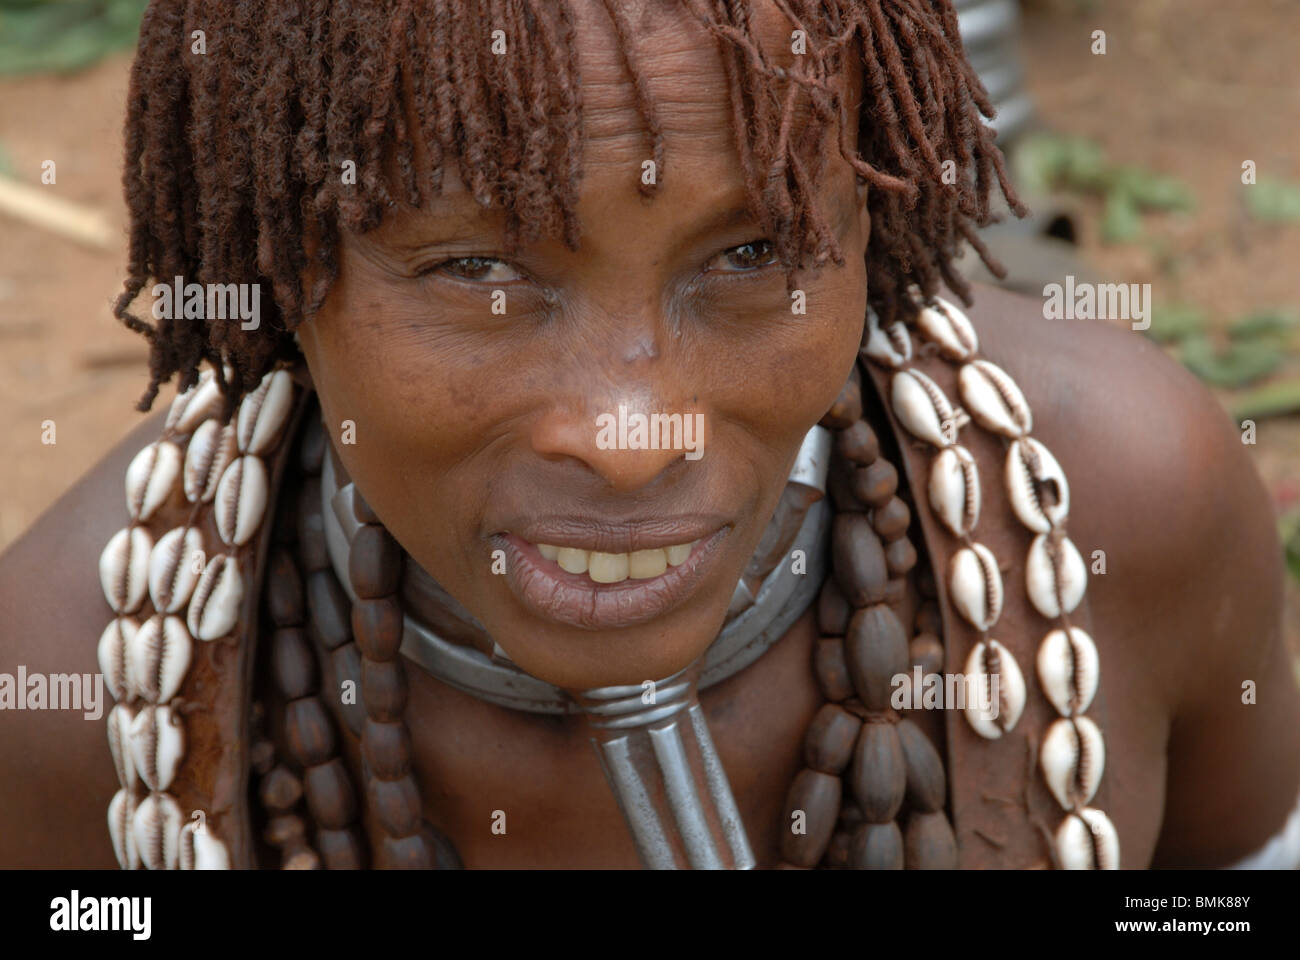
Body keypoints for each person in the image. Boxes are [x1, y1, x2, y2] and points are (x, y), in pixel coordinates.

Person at [1, 0, 1297, 870]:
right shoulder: (86, 700)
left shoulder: (1119, 513)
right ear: (276, 263)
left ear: (873, 226)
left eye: (751, 252)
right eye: (475, 272)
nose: (628, 433)